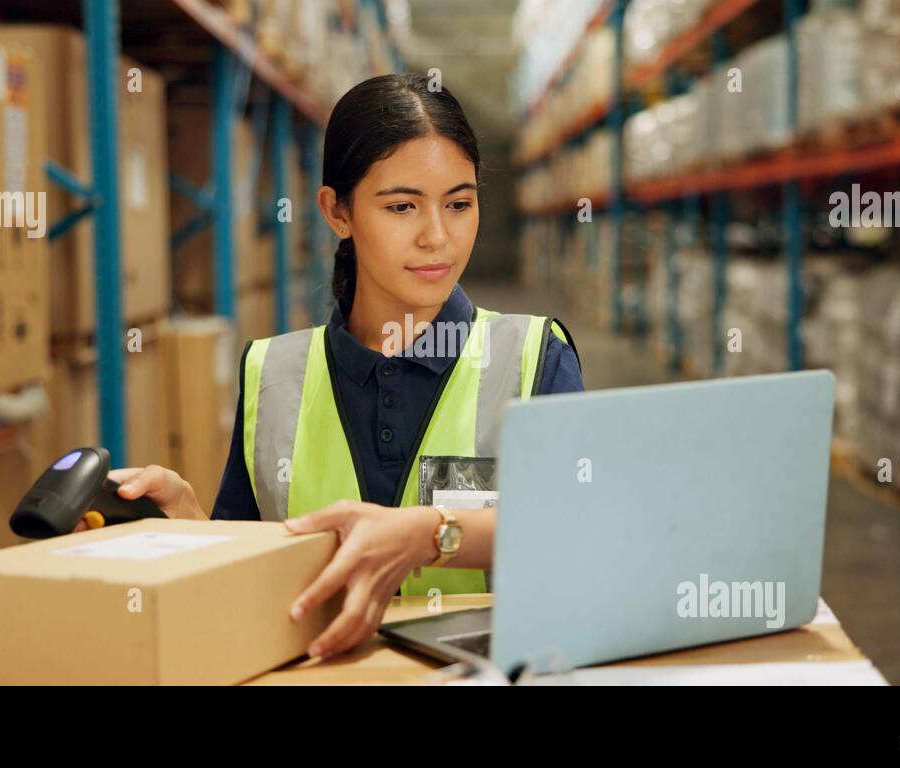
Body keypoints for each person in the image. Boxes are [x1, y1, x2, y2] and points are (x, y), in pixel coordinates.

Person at [95, 73, 583, 659]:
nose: (438, 237)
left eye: (459, 203)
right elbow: (253, 567)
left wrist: (431, 537)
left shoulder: (533, 357)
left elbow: (577, 539)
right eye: (403, 206)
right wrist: (182, 521)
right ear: (337, 211)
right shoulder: (273, 371)